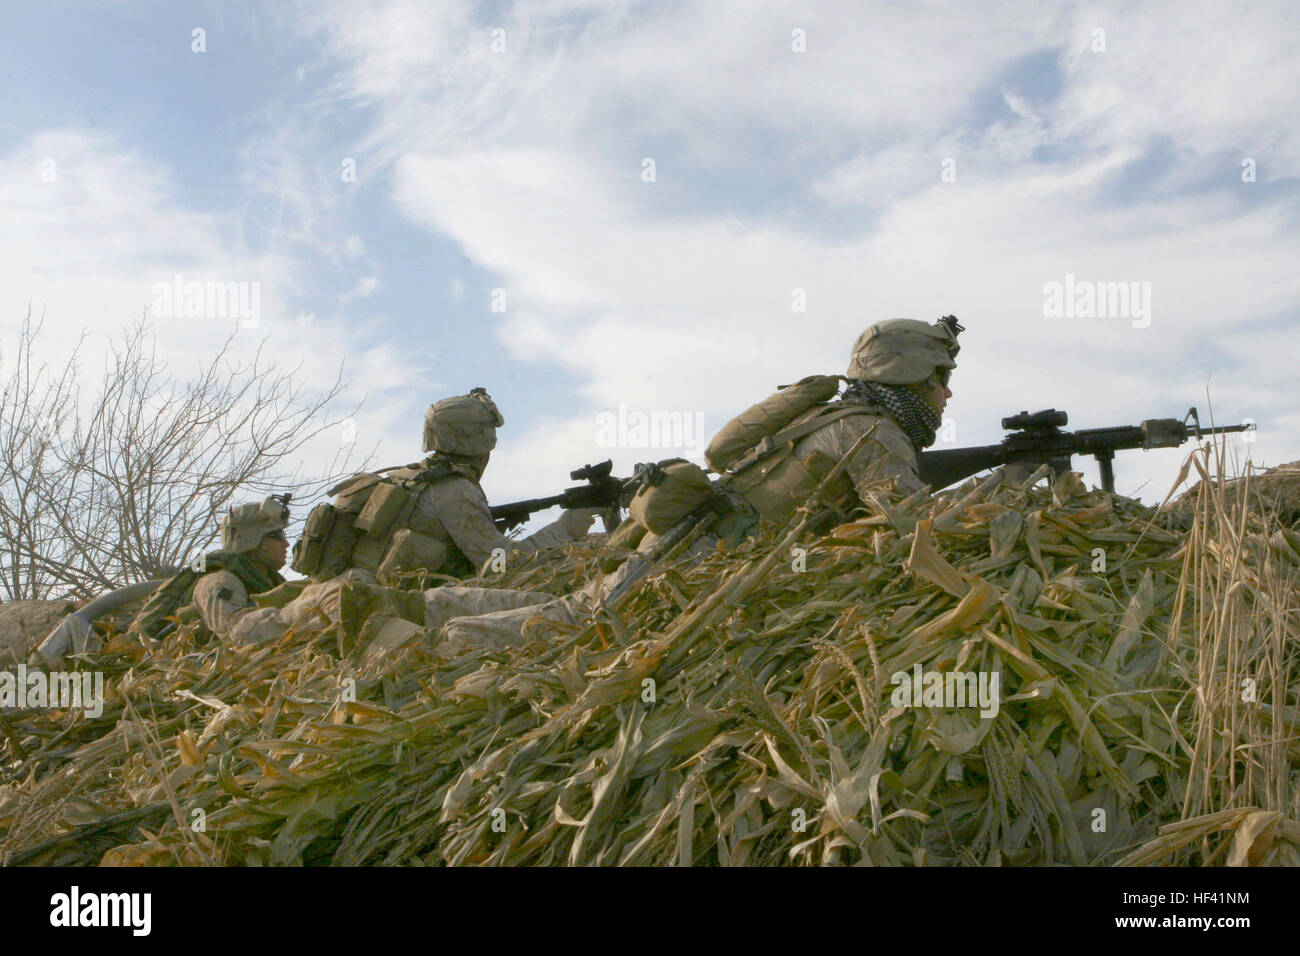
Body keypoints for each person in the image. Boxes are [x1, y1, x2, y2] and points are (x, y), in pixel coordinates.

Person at [128, 496, 292, 646]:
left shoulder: (271, 583)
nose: (286, 544)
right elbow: (237, 634)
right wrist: (295, 616)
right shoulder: (221, 582)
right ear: (252, 539)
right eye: (278, 536)